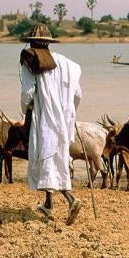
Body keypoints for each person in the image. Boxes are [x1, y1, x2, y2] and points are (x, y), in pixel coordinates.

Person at [19, 24, 84, 225]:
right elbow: (77, 95)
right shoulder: (68, 64)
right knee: (58, 158)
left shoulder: (30, 61)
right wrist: (69, 113)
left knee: (46, 158)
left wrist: (26, 108)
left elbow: (27, 93)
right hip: (64, 119)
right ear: (48, 43)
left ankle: (71, 199)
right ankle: (48, 204)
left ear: (31, 43)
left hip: (45, 117)